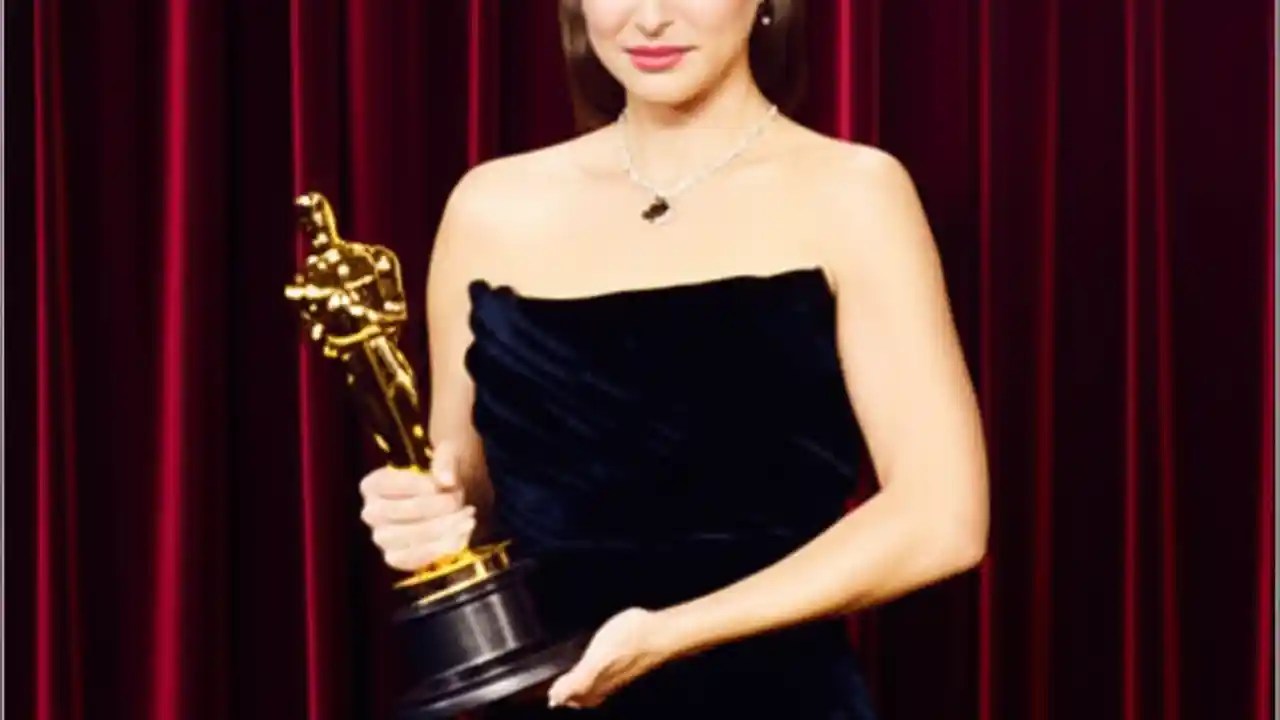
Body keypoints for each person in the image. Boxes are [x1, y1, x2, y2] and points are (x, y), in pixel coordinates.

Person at [357, 0, 990, 716]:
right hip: (547, 697)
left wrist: (669, 635)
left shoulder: (853, 193)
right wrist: (422, 514)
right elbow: (465, 489)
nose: (650, 18)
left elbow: (941, 520)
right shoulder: (490, 206)